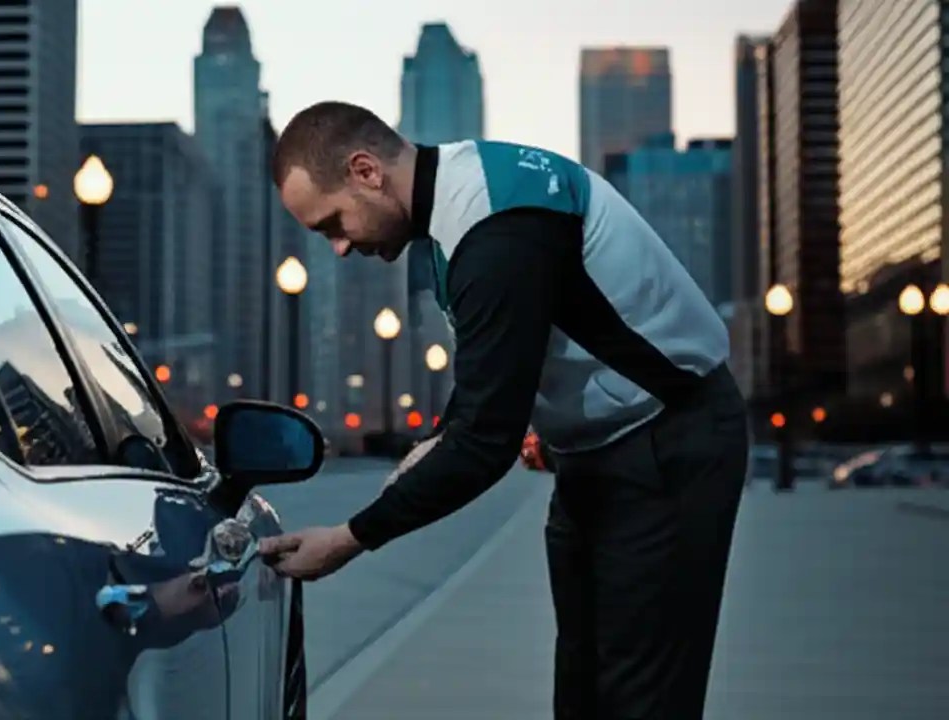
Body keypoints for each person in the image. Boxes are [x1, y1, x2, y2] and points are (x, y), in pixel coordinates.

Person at [257, 101, 749, 719]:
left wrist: (349, 539)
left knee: (639, 698)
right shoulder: (460, 205)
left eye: (332, 223)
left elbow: (487, 442)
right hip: (600, 455)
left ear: (365, 171)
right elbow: (490, 373)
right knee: (583, 687)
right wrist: (438, 439)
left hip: (668, 444)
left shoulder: (497, 227)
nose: (337, 248)